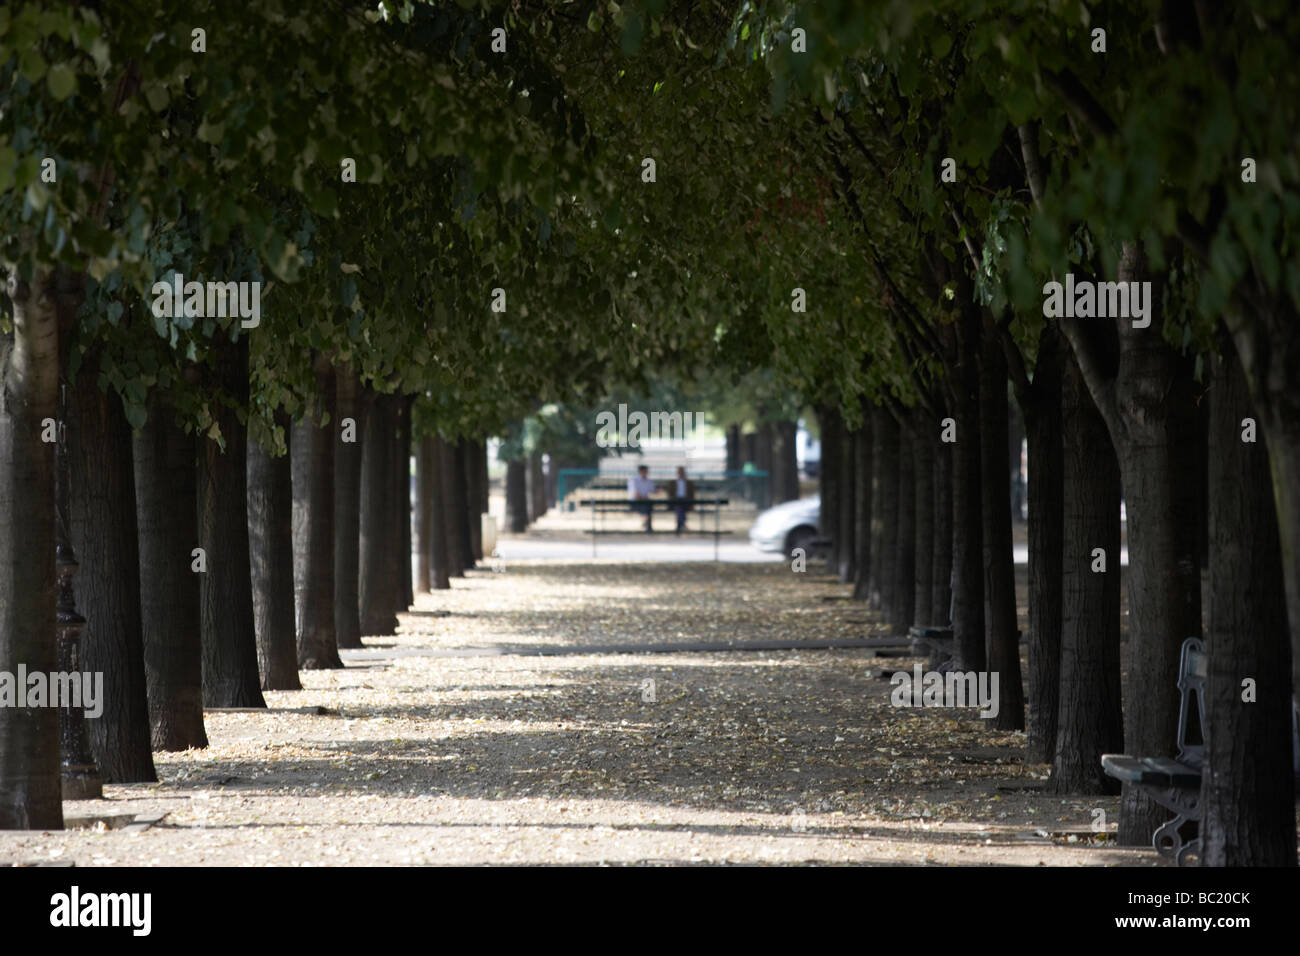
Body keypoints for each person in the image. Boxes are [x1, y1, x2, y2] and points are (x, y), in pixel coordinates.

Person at [627, 464, 656, 532]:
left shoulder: (648, 481)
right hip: (635, 502)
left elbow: (653, 490)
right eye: (645, 471)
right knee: (648, 507)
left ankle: (647, 524)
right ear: (640, 471)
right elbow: (635, 494)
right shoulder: (634, 480)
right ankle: (647, 525)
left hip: (645, 502)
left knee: (649, 506)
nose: (646, 473)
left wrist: (658, 491)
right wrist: (644, 498)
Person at [673, 466, 695, 536]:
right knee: (679, 508)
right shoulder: (672, 483)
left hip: (686, 502)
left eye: (682, 472)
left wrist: (692, 505)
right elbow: (670, 495)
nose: (681, 474)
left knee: (680, 509)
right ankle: (682, 524)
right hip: (676, 502)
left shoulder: (689, 483)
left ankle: (679, 527)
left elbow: (692, 495)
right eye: (680, 472)